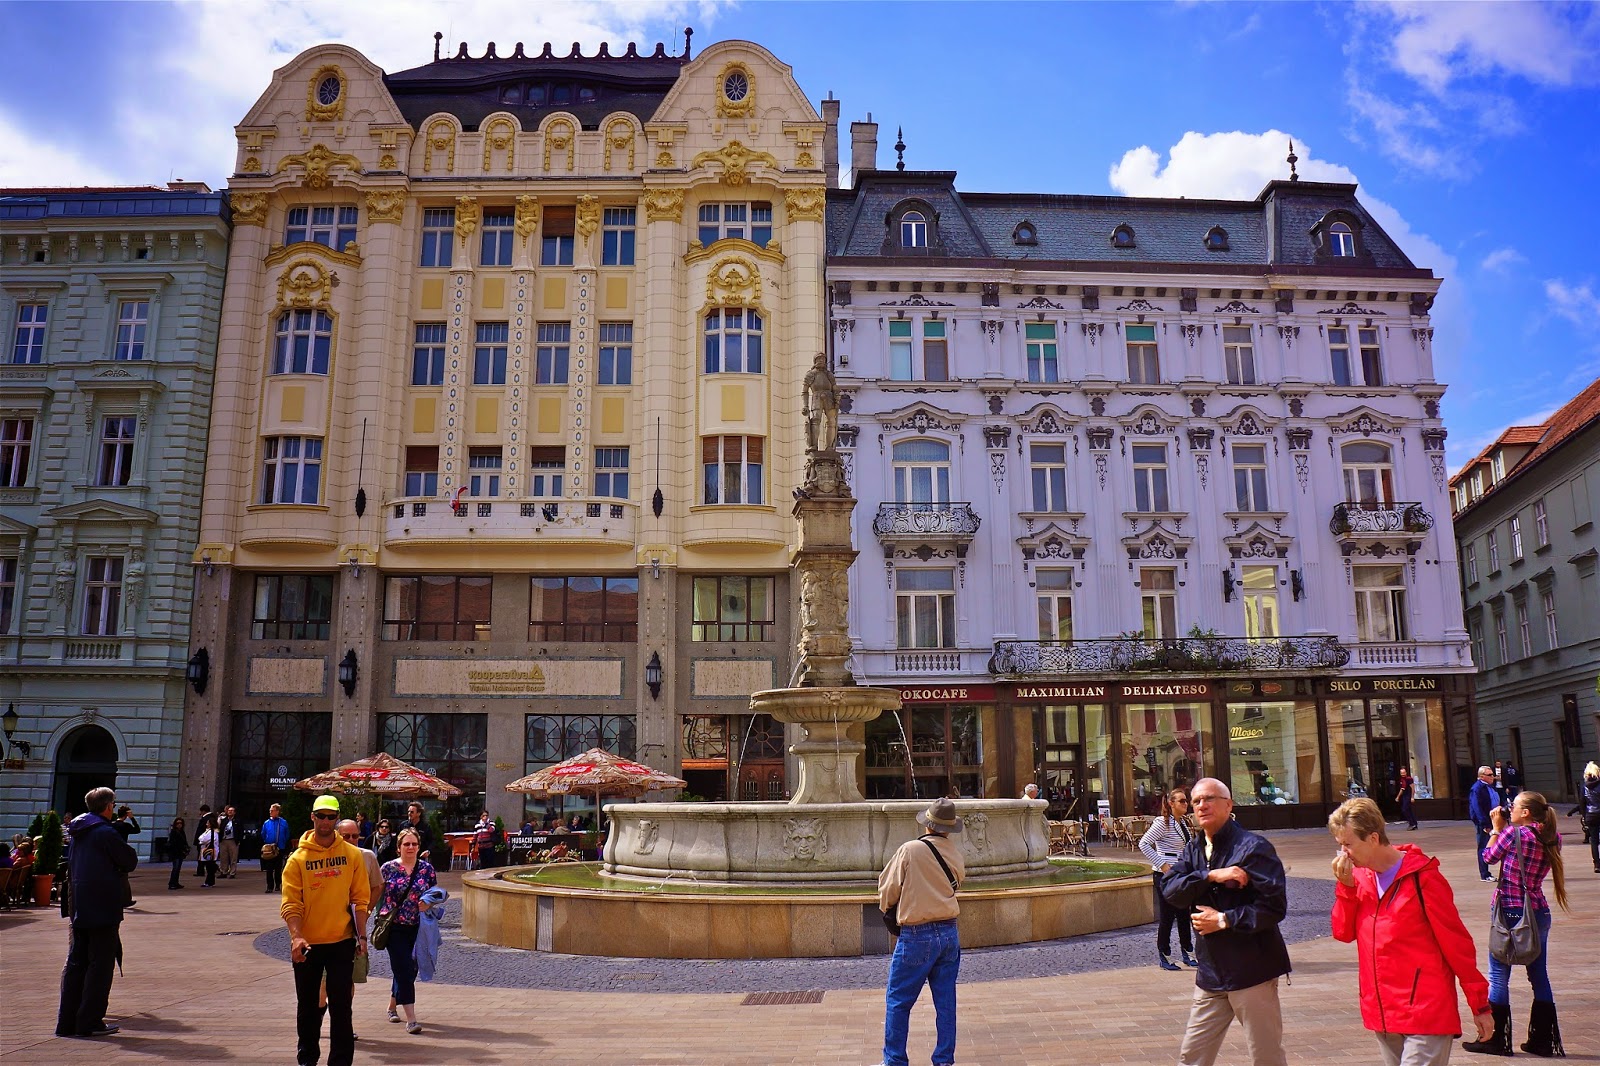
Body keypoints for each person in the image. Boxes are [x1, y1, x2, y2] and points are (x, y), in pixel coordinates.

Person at [1328, 798, 1492, 1064]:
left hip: (1426, 1011)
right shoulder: (1359, 878)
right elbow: (1343, 932)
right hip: (1383, 1013)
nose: (1343, 853)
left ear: (1372, 838)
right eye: (1340, 846)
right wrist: (1345, 888)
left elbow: (1457, 945)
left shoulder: (1423, 878)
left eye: (1348, 844)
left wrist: (1480, 1004)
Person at [1161, 778, 1290, 1066]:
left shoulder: (1254, 847)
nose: (1201, 805)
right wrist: (1209, 876)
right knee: (1192, 1056)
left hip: (1252, 971)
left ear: (1228, 804)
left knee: (1266, 1057)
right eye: (1195, 801)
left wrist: (1224, 920)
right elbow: (1171, 891)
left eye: (1209, 798)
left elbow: (1274, 907)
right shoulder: (1194, 848)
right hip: (1211, 974)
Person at [1463, 791, 1571, 1057]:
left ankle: (1496, 1039)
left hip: (1510, 911)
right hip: (1538, 911)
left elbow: (1488, 857)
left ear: (1525, 812)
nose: (1509, 809)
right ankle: (1543, 1041)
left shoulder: (1514, 834)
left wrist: (1496, 830)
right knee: (1539, 976)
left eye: (1514, 806)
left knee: (1499, 974)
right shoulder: (1552, 837)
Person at [281, 795, 370, 1066]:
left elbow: (360, 899)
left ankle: (340, 1062)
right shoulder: (297, 859)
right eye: (321, 815)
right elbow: (290, 903)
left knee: (342, 1008)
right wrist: (296, 937)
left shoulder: (352, 855)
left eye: (331, 817)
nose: (326, 821)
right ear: (313, 817)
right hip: (308, 944)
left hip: (341, 941)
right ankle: (307, 1059)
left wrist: (362, 937)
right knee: (308, 1007)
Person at [876, 797, 965, 1066]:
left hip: (917, 935)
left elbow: (887, 889)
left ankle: (894, 1061)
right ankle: (944, 1060)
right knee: (946, 1002)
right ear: (949, 829)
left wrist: (889, 909)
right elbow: (957, 883)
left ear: (927, 824)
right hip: (949, 933)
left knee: (898, 1001)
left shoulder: (910, 849)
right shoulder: (954, 853)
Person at [55, 786, 138, 1039]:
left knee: (76, 963)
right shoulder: (105, 832)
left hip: (79, 906)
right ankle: (90, 1021)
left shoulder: (78, 831)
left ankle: (66, 1023)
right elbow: (129, 860)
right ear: (109, 806)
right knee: (100, 965)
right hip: (102, 905)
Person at [377, 826, 438, 1035]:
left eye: (414, 844)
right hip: (395, 927)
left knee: (411, 969)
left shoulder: (426, 869)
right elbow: (376, 894)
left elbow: (436, 893)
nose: (410, 847)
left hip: (419, 927)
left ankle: (392, 1005)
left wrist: (428, 903)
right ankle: (411, 1020)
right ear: (398, 847)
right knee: (402, 967)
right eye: (406, 844)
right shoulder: (387, 868)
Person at [1138, 788, 1198, 971]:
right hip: (1166, 876)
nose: (1185, 804)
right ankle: (1165, 954)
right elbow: (1143, 843)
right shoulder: (1162, 823)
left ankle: (1188, 952)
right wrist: (1163, 865)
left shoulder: (1182, 823)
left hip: (1181, 874)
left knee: (1183, 914)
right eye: (1181, 801)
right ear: (1171, 803)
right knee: (1167, 916)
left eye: (1186, 801)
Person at [1468, 766, 1500, 882]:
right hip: (1485, 822)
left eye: (1492, 774)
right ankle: (1485, 874)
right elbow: (1477, 808)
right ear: (1482, 776)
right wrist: (1485, 824)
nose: (1493, 777)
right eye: (1490, 775)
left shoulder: (1489, 787)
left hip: (1495, 820)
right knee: (1483, 847)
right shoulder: (1477, 788)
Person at [1570, 761, 1600, 873]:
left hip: (1591, 815)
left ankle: (1597, 864)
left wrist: (1584, 816)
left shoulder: (1584, 787)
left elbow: (1582, 802)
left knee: (1594, 841)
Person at [260, 803, 292, 894]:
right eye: (270, 810)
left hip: (280, 848)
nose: (270, 812)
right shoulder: (266, 823)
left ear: (277, 812)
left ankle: (278, 884)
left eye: (272, 810)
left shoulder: (283, 822)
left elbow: (287, 834)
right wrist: (267, 842)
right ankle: (269, 886)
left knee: (278, 868)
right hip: (269, 849)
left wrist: (282, 843)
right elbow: (263, 834)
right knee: (269, 868)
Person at [196, 813, 219, 888]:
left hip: (210, 852)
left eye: (208, 823)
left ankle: (209, 882)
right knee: (209, 867)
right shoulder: (208, 831)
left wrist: (201, 840)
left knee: (210, 868)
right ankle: (208, 882)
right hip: (209, 851)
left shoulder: (212, 832)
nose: (206, 824)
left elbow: (203, 839)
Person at [217, 804, 240, 878]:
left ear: (234, 812)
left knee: (233, 858)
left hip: (233, 840)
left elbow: (240, 831)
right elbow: (219, 829)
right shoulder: (224, 820)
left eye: (232, 811)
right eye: (229, 811)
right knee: (223, 857)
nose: (230, 812)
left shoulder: (237, 821)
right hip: (224, 840)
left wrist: (239, 840)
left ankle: (232, 873)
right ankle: (223, 872)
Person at [165, 817, 188, 890]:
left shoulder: (182, 832)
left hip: (180, 852)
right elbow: (173, 843)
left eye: (180, 823)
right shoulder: (173, 832)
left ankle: (176, 882)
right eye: (178, 823)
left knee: (178, 868)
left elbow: (184, 841)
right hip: (175, 853)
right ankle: (172, 883)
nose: (179, 825)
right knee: (175, 868)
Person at [1396, 765, 1418, 831]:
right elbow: (1402, 789)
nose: (1402, 774)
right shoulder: (1402, 780)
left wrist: (1412, 797)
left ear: (1406, 773)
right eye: (1401, 773)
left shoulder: (1409, 779)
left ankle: (1412, 823)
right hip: (1405, 796)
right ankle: (1414, 824)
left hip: (1408, 795)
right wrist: (1398, 797)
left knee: (1405, 809)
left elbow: (1412, 788)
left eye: (1404, 773)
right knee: (1408, 810)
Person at [192, 803, 210, 877]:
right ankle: (200, 870)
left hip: (203, 841)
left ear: (203, 811)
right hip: (205, 840)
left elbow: (201, 830)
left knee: (202, 856)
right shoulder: (208, 817)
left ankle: (200, 871)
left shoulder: (205, 818)